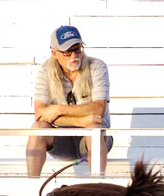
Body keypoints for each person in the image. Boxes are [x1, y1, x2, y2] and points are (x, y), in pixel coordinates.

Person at [26, 25, 112, 177]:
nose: (74, 55)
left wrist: (57, 110)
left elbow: (98, 110)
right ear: (54, 53)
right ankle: (32, 182)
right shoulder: (45, 70)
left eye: (77, 48)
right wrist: (82, 120)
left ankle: (98, 183)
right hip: (62, 138)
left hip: (94, 138)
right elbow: (40, 115)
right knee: (38, 127)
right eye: (67, 51)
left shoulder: (97, 67)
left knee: (93, 128)